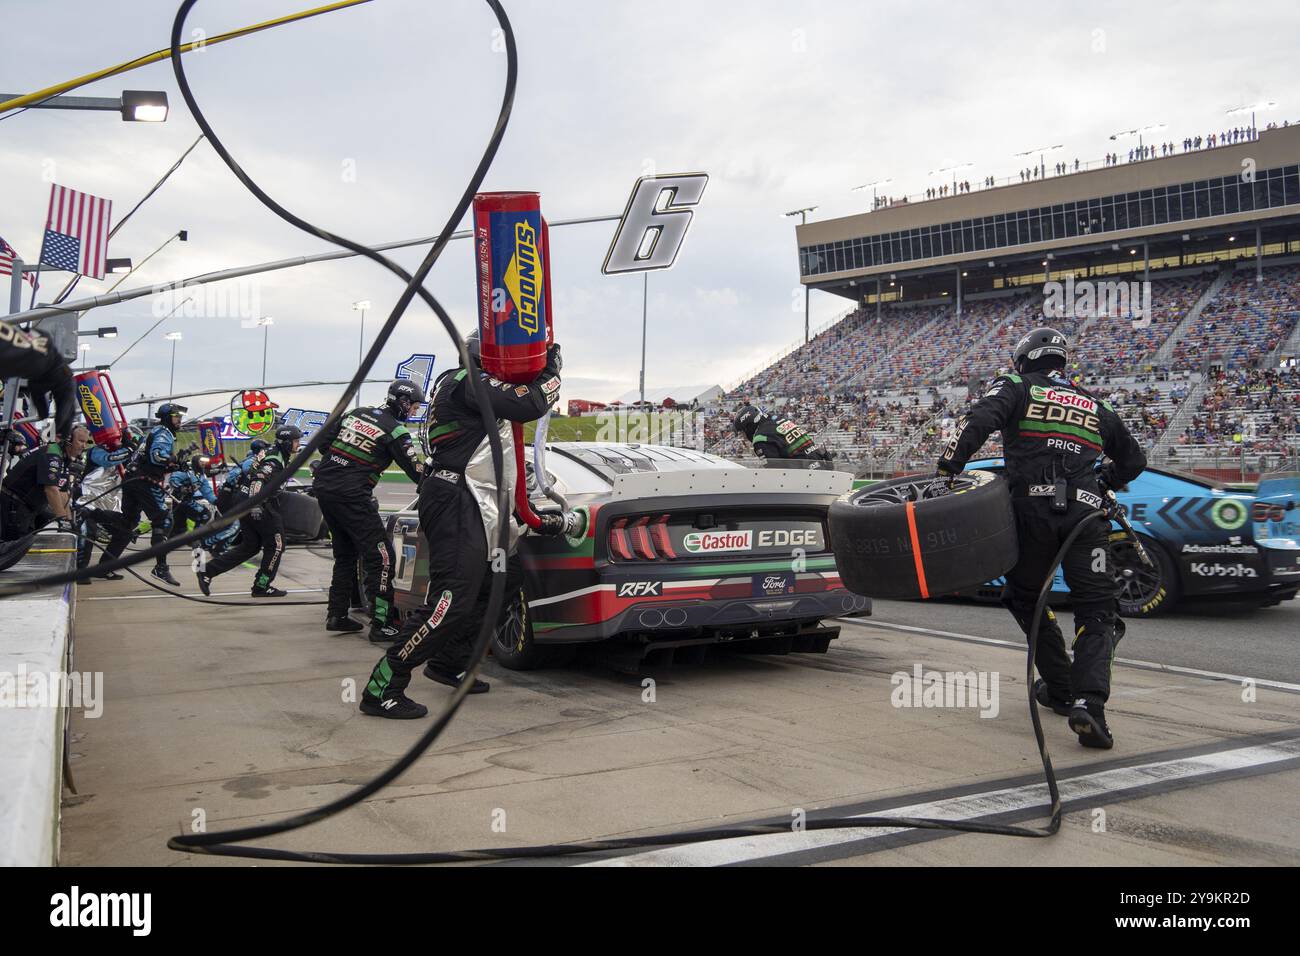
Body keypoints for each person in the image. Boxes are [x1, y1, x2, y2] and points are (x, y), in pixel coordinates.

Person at [936, 327, 1147, 749]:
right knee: (1097, 610)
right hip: (1087, 521)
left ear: (1024, 360)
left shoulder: (1015, 385)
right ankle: (1089, 704)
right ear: (1061, 362)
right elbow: (1134, 460)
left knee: (1025, 597)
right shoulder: (1095, 404)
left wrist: (948, 468)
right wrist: (1106, 478)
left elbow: (977, 419)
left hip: (1030, 514)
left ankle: (1061, 686)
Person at [359, 333, 570, 719]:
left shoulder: (478, 392)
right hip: (455, 497)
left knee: (503, 581)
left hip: (478, 499)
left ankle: (449, 661)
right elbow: (531, 403)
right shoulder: (464, 380)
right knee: (450, 600)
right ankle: (383, 685)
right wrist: (551, 372)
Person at [312, 379, 424, 641]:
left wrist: (346, 460)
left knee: (345, 554)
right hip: (351, 494)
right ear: (404, 402)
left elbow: (323, 445)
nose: (415, 412)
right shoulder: (395, 431)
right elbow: (415, 472)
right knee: (383, 557)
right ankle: (382, 623)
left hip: (325, 488)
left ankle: (337, 615)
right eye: (415, 406)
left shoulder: (356, 414)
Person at [196, 425, 299, 598]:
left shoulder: (273, 452)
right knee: (277, 545)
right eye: (296, 441)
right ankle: (262, 586)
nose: (298, 444)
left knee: (250, 546)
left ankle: (207, 572)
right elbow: (258, 480)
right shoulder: (274, 459)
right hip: (256, 502)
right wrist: (256, 505)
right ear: (287, 443)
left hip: (243, 501)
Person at [115, 403, 187, 585]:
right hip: (144, 482)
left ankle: (106, 561)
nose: (180, 419)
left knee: (128, 522)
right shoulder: (164, 433)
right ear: (167, 417)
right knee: (164, 519)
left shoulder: (155, 431)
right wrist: (172, 459)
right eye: (176, 416)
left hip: (133, 479)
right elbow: (157, 456)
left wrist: (174, 463)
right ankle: (160, 568)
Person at [2, 422, 89, 541]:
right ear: (68, 439)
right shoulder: (52, 454)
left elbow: (63, 493)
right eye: (81, 441)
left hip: (28, 508)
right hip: (14, 505)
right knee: (14, 549)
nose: (84, 446)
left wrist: (69, 522)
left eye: (86, 442)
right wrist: (62, 520)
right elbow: (51, 490)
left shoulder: (63, 458)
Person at [75, 429, 139, 578]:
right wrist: (127, 449)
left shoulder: (126, 457)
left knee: (124, 532)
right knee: (88, 532)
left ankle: (104, 568)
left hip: (105, 505)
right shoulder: (96, 451)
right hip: (86, 502)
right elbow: (109, 460)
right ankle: (79, 572)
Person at [733, 404, 833, 464]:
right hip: (823, 463)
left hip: (805, 477)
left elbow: (776, 471)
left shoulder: (760, 438)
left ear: (749, 426)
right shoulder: (779, 420)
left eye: (743, 432)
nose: (744, 436)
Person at [168, 456, 218, 543]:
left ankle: (187, 537)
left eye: (204, 462)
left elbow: (207, 491)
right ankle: (192, 538)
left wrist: (216, 501)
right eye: (201, 461)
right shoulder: (188, 472)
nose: (203, 463)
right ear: (196, 462)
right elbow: (173, 479)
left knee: (181, 523)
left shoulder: (202, 476)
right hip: (179, 499)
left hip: (187, 500)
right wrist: (181, 488)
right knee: (203, 514)